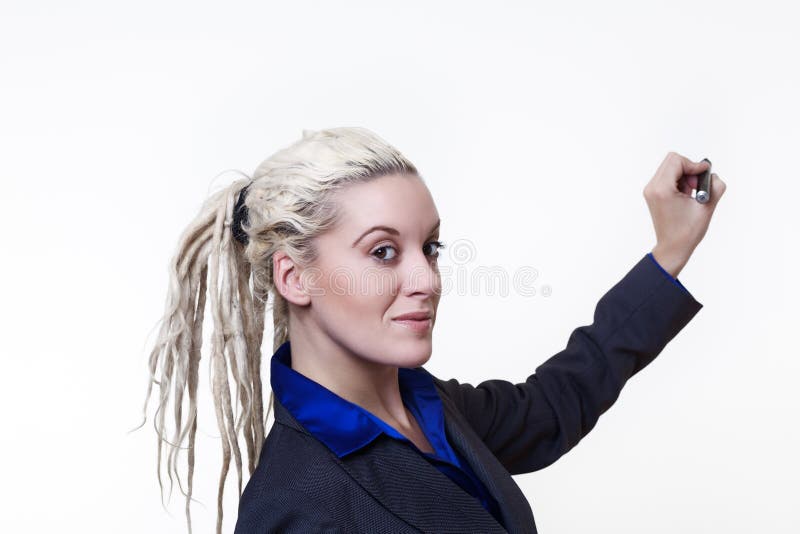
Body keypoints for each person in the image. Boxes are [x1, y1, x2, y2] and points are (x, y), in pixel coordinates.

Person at [138, 127, 726, 534]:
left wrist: (670, 251)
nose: (428, 279)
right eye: (385, 251)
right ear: (294, 276)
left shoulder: (429, 405)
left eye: (430, 247)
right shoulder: (296, 506)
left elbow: (553, 405)